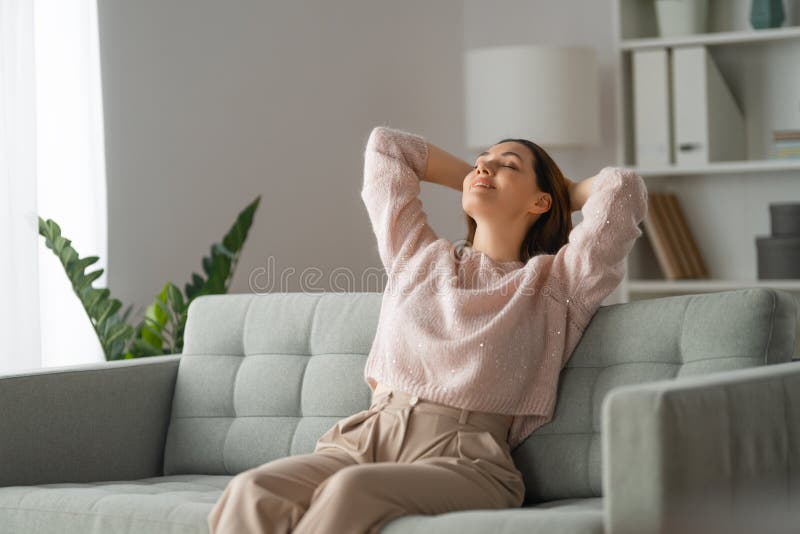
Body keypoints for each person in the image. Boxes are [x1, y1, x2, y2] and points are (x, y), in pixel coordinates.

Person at [208, 125, 648, 533]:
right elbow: (387, 147)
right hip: (366, 438)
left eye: (508, 164)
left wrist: (563, 190)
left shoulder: (555, 286)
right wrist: (477, 176)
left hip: (465, 462)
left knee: (352, 490)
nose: (486, 165)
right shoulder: (417, 258)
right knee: (252, 490)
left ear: (540, 203)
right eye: (482, 159)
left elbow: (622, 190)